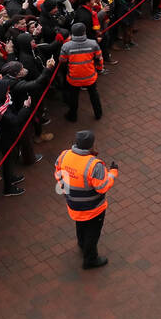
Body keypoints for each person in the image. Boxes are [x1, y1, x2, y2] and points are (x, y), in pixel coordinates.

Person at [54, 129, 119, 269]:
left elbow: (58, 173)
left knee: (80, 224)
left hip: (73, 205)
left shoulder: (64, 155)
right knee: (93, 232)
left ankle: (82, 243)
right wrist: (112, 173)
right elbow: (102, 187)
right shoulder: (95, 165)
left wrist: (66, 191)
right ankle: (90, 259)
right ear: (91, 145)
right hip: (93, 208)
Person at [59, 22, 104, 122]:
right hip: (90, 76)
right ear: (84, 32)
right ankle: (98, 113)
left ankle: (73, 116)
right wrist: (100, 68)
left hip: (74, 78)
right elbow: (99, 58)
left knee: (73, 98)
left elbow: (62, 60)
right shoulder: (93, 43)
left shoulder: (66, 46)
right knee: (94, 95)